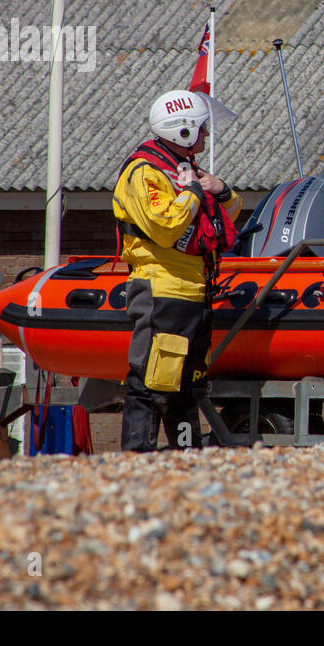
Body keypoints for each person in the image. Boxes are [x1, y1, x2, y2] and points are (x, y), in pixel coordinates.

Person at [113, 89, 241, 452]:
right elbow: (165, 224)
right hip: (162, 290)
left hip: (194, 292)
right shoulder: (144, 172)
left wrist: (222, 190)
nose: (206, 135)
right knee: (151, 382)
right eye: (201, 129)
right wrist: (195, 193)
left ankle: (185, 457)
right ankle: (137, 458)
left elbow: (224, 220)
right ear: (182, 131)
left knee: (186, 386)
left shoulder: (184, 171)